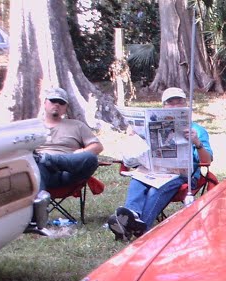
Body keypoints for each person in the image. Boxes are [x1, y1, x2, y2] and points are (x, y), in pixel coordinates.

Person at [109, 87, 213, 241]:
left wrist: (197, 142)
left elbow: (207, 161)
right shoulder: (151, 126)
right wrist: (134, 137)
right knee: (138, 178)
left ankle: (138, 229)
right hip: (155, 169)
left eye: (180, 102)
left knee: (155, 190)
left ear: (187, 104)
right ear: (163, 106)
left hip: (183, 174)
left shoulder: (197, 130)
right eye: (170, 103)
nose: (176, 105)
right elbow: (133, 156)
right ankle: (132, 215)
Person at [34, 87, 103, 192]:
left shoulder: (77, 125)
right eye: (53, 101)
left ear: (66, 107)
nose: (57, 104)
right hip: (42, 172)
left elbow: (97, 147)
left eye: (61, 102)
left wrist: (83, 151)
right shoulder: (33, 126)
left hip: (67, 174)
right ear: (44, 103)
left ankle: (48, 159)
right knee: (37, 166)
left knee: (90, 158)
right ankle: (40, 206)